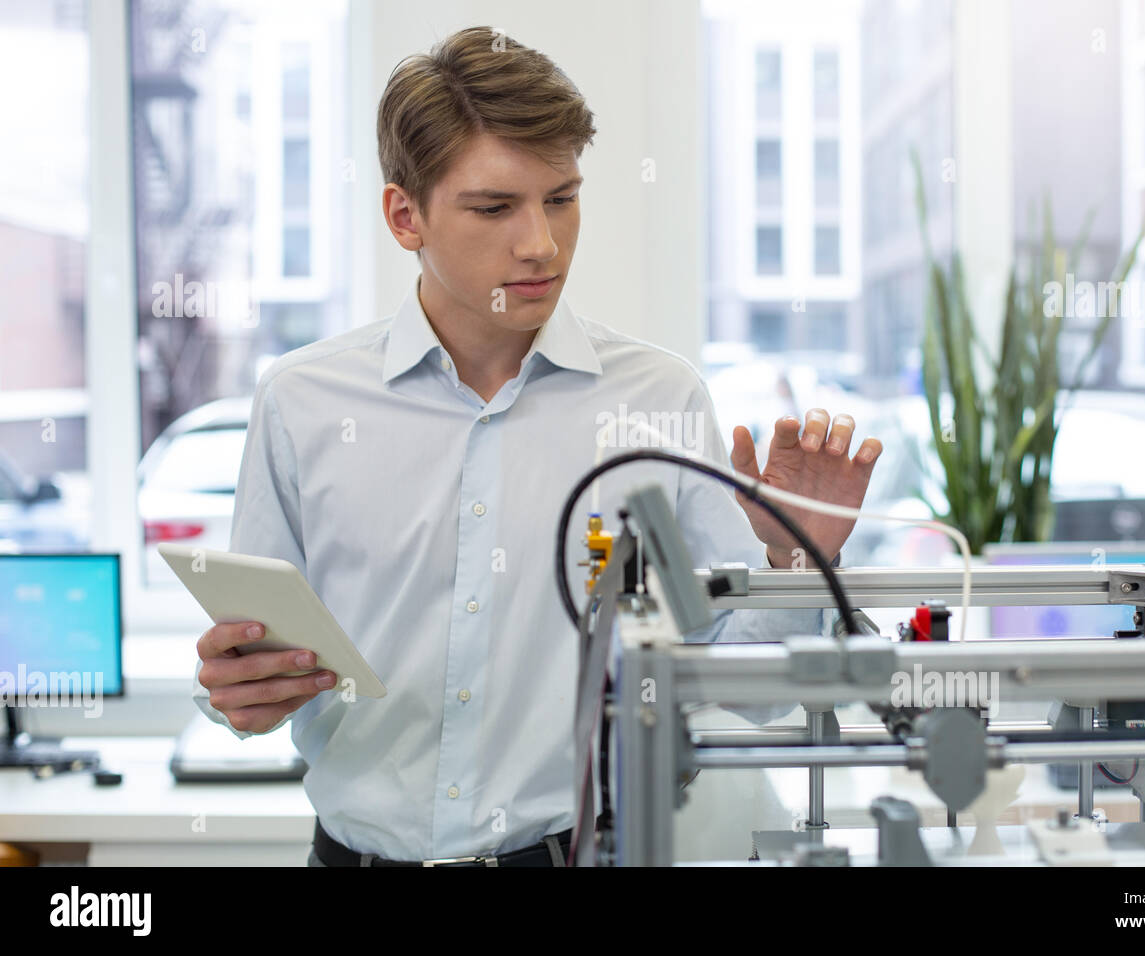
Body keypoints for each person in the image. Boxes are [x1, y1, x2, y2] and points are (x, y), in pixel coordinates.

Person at [192, 25, 883, 867]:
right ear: (405, 214)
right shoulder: (302, 402)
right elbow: (254, 659)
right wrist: (238, 692)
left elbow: (757, 694)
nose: (542, 243)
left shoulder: (658, 401)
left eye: (561, 197)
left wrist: (793, 562)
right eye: (495, 207)